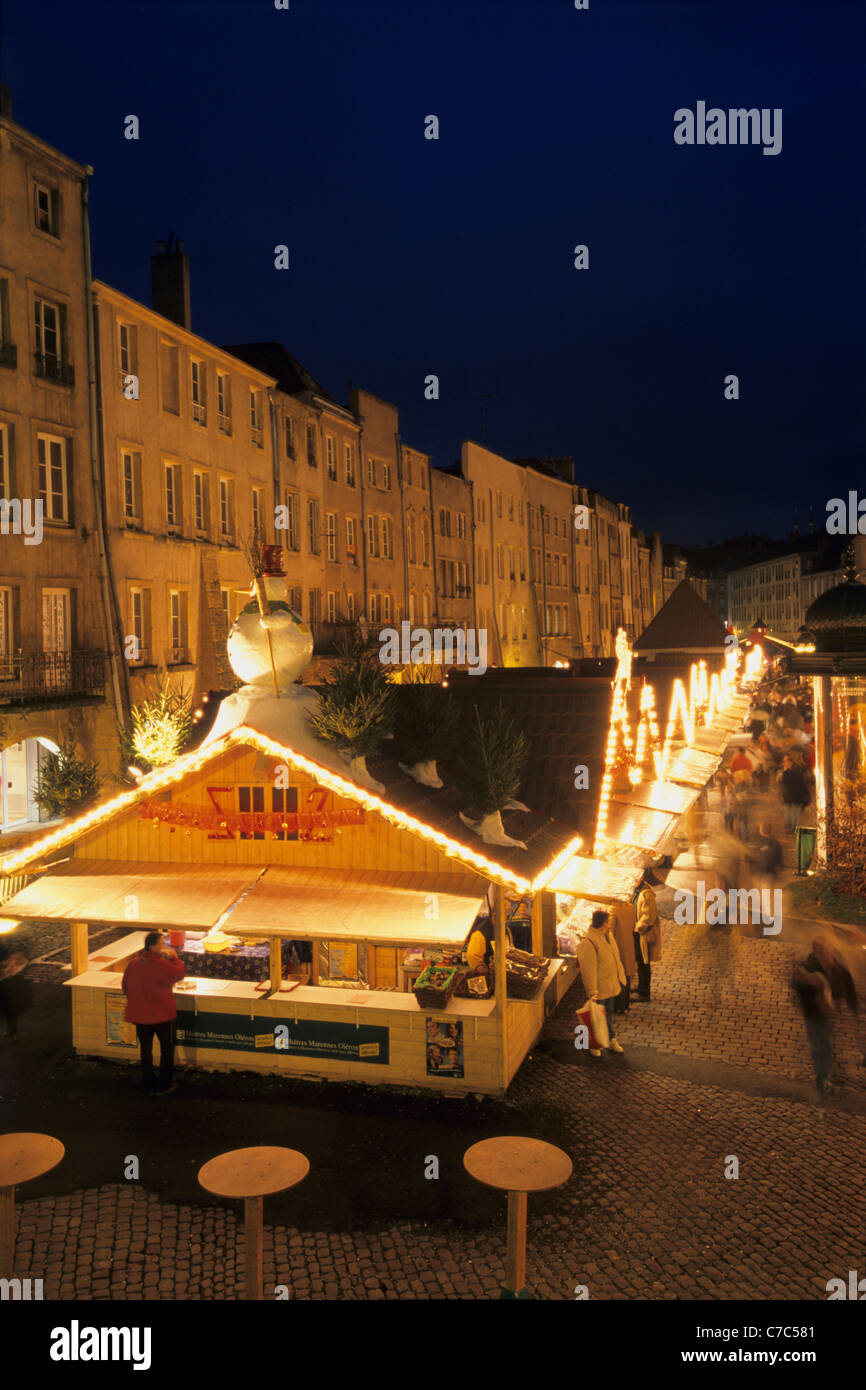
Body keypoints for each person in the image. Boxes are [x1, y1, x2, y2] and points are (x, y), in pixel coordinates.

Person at [122, 930, 185, 1095]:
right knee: (166, 1049)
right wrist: (175, 958)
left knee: (145, 1050)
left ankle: (148, 1083)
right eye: (162, 943)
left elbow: (125, 986)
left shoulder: (133, 963)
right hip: (160, 1015)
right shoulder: (161, 964)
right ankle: (164, 1084)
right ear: (152, 947)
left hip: (139, 1015)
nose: (164, 946)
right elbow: (179, 973)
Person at [576, 909, 627, 1057]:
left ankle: (611, 1039)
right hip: (599, 988)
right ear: (603, 923)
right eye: (607, 922)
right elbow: (589, 970)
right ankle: (593, 1044)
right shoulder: (589, 943)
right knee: (595, 1017)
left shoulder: (608, 936)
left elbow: (615, 958)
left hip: (610, 984)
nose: (609, 924)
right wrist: (592, 991)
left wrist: (620, 976)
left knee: (608, 1013)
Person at [792, 948, 835, 1100]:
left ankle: (823, 1081)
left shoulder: (811, 970)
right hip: (815, 1016)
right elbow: (811, 981)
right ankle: (822, 1083)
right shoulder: (816, 973)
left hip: (814, 1015)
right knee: (821, 1049)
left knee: (822, 1049)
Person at [633, 881, 662, 1001]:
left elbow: (648, 917)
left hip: (644, 934)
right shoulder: (636, 891)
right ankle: (641, 986)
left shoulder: (647, 894)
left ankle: (644, 992)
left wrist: (637, 927)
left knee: (644, 962)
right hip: (638, 933)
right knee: (640, 962)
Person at [0, 942, 33, 1040]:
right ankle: (12, 1033)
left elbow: (6, 961)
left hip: (6, 986)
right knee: (8, 1010)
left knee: (8, 1009)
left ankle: (13, 1033)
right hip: (6, 985)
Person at [779, 755, 810, 831]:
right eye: (784, 761)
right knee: (794, 811)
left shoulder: (786, 773)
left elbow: (783, 785)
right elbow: (802, 784)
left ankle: (789, 826)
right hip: (796, 795)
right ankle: (794, 827)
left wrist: (782, 795)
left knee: (789, 811)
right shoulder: (797, 772)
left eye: (786, 761)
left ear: (790, 763)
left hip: (789, 795)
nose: (785, 763)